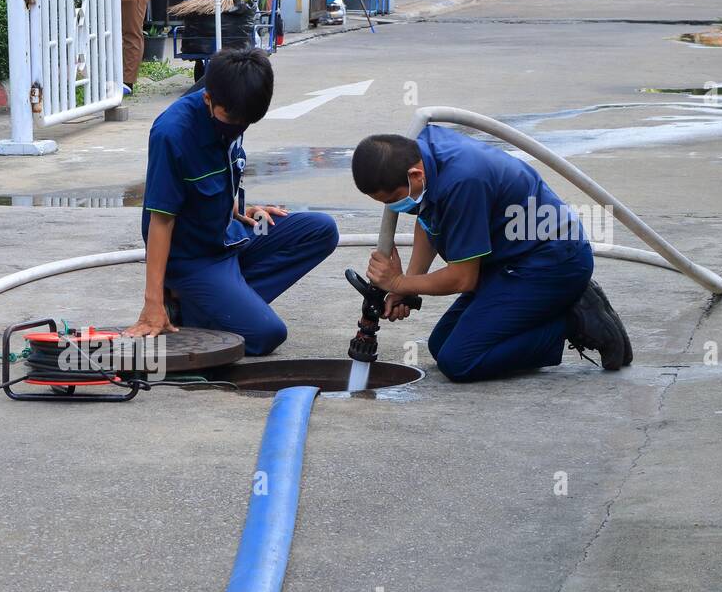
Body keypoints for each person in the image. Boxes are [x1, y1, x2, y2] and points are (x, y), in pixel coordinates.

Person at [352, 128, 633, 382]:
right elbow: (429, 220)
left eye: (392, 200)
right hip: (509, 261)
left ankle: (571, 320)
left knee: (460, 362)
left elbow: (463, 279)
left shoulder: (463, 181)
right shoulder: (423, 156)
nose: (394, 208)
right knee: (441, 344)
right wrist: (410, 284)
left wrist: (398, 284)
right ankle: (549, 307)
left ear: (415, 176)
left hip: (552, 262)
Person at [125, 48, 340, 353]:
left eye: (247, 121)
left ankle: (219, 302)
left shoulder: (236, 104)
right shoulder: (173, 134)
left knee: (320, 229)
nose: (238, 127)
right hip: (195, 260)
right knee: (267, 333)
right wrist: (153, 301)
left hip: (231, 238)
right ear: (208, 99)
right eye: (232, 119)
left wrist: (237, 207)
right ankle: (189, 304)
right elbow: (161, 220)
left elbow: (224, 169)